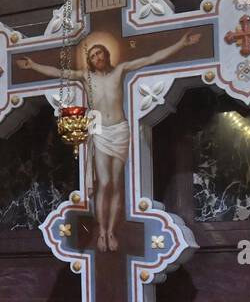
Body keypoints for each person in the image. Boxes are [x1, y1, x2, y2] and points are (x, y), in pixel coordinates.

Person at [17, 32, 200, 251]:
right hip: (102, 132)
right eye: (93, 55)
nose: (97, 57)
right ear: (90, 61)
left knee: (115, 183)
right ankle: (101, 231)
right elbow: (59, 72)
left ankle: (111, 231)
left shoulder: (120, 71)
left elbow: (151, 59)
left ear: (106, 55)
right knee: (103, 183)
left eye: (100, 53)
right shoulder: (86, 77)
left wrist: (181, 42)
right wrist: (32, 65)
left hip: (120, 130)